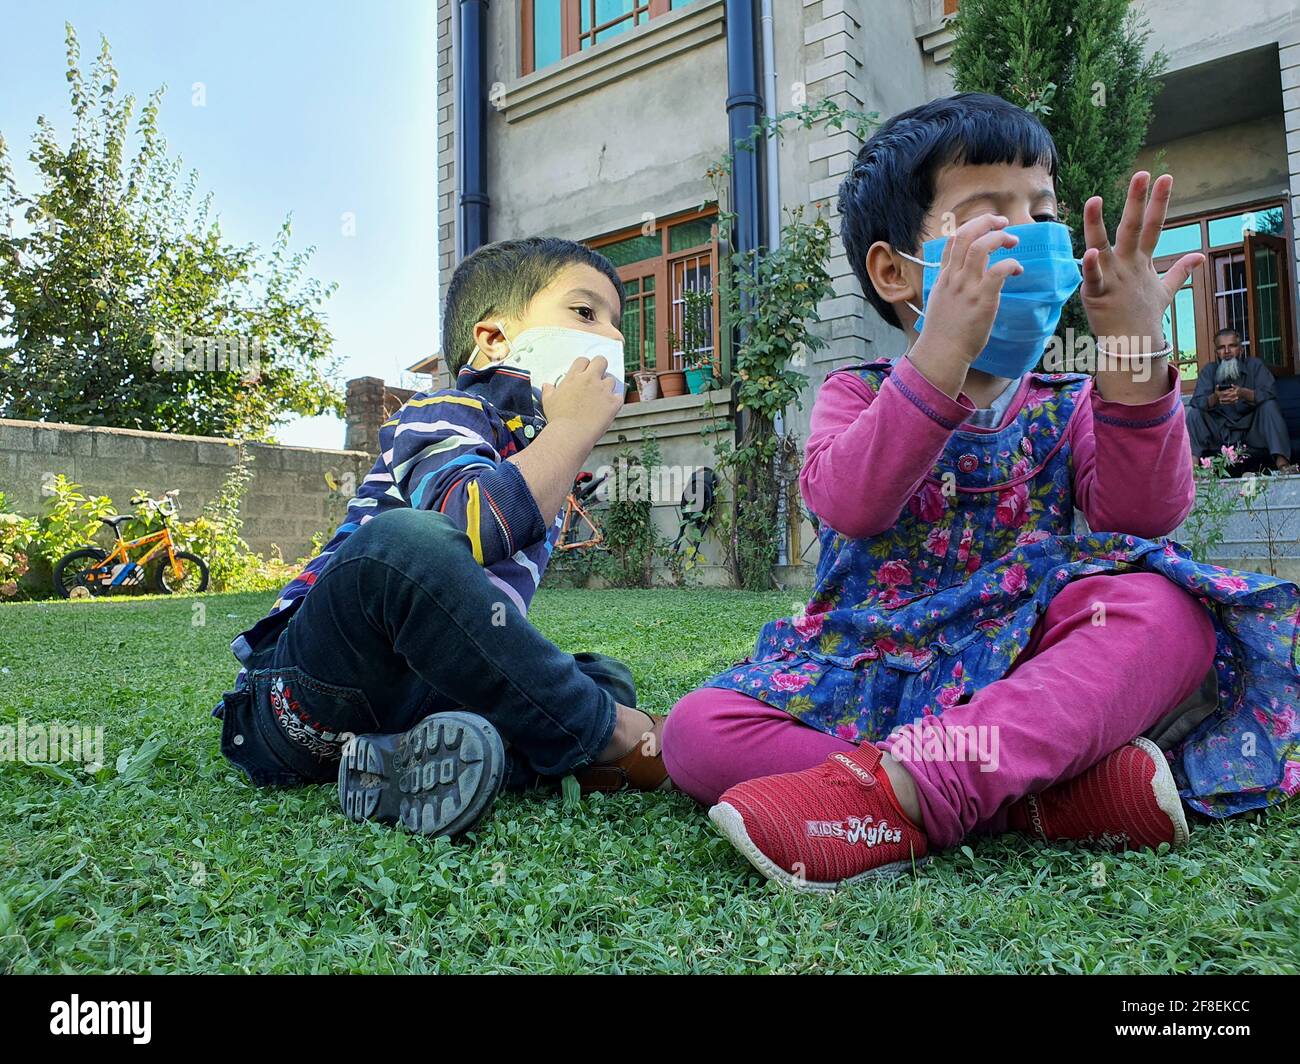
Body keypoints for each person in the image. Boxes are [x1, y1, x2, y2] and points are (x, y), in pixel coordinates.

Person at [662, 93, 1300, 891]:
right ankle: (1040, 803)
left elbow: (1140, 521)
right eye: (989, 214)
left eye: (1042, 210)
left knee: (1167, 610)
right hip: (874, 665)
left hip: (1021, 666)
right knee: (697, 732)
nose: (1030, 234)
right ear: (898, 272)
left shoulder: (1068, 401)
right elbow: (851, 504)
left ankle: (908, 793)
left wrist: (1133, 352)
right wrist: (941, 357)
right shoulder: (855, 393)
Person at [214, 237, 669, 838]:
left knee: (603, 674)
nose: (611, 338)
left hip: (421, 696)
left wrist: (562, 438)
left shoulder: (542, 452)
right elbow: (471, 522)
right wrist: (573, 429)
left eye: (617, 323)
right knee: (406, 543)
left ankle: (394, 763)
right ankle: (603, 735)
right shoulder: (445, 411)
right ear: (494, 340)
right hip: (309, 696)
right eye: (585, 314)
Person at [1186, 328, 1293, 470]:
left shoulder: (1254, 366)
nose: (1227, 351)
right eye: (1221, 348)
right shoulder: (1209, 370)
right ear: (1216, 353)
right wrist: (1215, 398)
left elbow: (1270, 393)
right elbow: (1196, 402)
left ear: (1241, 350)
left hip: (1251, 431)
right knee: (1194, 415)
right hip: (1220, 433)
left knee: (1269, 406)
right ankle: (1193, 472)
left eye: (1232, 346)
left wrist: (1244, 393)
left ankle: (1284, 466)